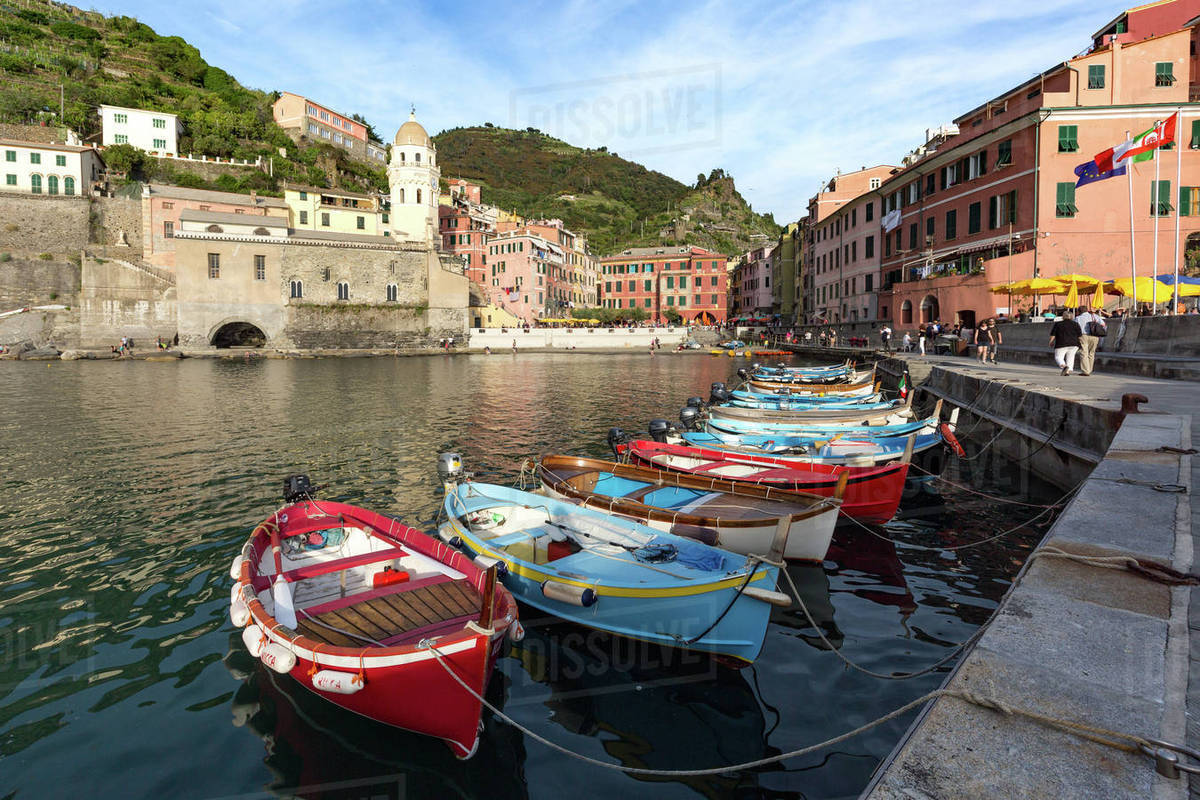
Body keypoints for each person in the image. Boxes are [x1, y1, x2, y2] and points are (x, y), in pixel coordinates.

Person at [1074, 305, 1106, 376]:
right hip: (1094, 336)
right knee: (1092, 353)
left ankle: (1086, 371)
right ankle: (1090, 369)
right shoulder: (1094, 316)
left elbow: (1075, 328)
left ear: (1079, 311)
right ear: (1086, 310)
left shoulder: (1078, 318)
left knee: (1084, 352)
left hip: (1083, 336)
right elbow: (1103, 324)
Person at [1049, 310, 1082, 375]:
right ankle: (1067, 371)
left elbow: (1053, 334)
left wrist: (1051, 341)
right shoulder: (1076, 324)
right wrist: (1080, 343)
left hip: (1061, 343)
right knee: (1071, 357)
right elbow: (1079, 335)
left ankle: (1064, 366)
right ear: (1072, 316)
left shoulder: (1058, 324)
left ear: (1063, 316)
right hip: (1074, 344)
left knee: (1058, 357)